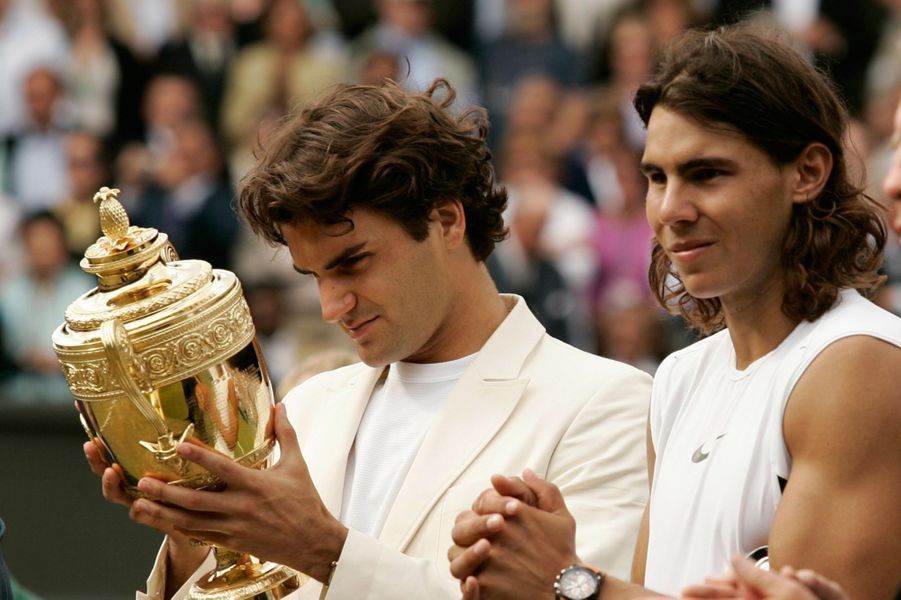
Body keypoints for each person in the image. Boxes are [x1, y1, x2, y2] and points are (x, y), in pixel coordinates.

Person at [83, 79, 652, 599]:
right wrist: (196, 540)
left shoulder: (609, 406)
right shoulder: (305, 410)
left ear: (447, 221)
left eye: (353, 263)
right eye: (315, 277)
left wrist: (325, 550)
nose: (332, 307)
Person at [448, 23, 901, 600]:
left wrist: (567, 582)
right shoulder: (679, 379)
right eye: (656, 177)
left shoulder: (861, 363)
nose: (670, 209)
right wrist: (527, 556)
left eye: (707, 173)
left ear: (807, 173)